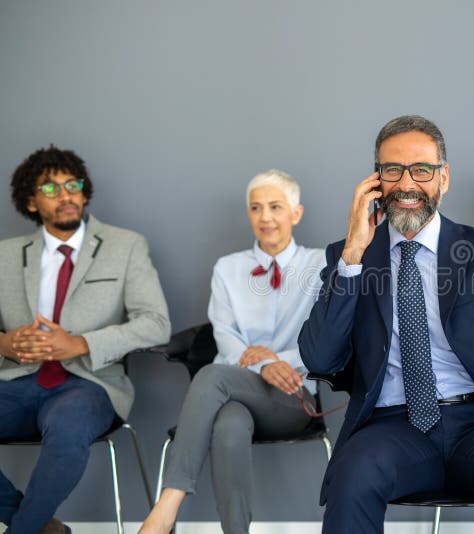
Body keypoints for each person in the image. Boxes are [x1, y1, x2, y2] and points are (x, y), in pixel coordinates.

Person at [298, 115, 474, 534]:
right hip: (391, 430)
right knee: (352, 473)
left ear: (444, 177)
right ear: (375, 180)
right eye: (392, 170)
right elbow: (320, 357)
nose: (407, 184)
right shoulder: (351, 257)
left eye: (422, 169)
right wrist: (352, 256)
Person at [139, 170, 325, 534]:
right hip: (237, 391)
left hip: (293, 396)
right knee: (229, 425)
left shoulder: (320, 266)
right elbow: (225, 337)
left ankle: (167, 505)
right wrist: (260, 368)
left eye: (275, 207)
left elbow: (327, 339)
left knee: (211, 374)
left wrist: (274, 362)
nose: (265, 217)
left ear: (296, 213)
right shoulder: (227, 268)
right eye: (256, 208)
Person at [0, 146, 171, 534]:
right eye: (51, 188)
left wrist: (81, 344)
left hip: (89, 384)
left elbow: (156, 323)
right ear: (30, 200)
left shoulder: (125, 246)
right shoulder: (5, 255)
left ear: (84, 190)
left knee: (67, 427)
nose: (65, 195)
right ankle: (38, 526)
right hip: (17, 379)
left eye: (72, 184)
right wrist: (5, 344)